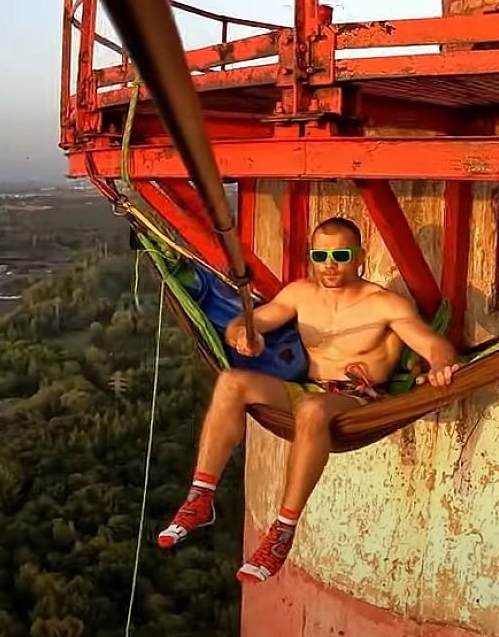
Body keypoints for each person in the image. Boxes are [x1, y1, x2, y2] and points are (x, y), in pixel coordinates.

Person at [156, 216, 459, 583]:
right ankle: (200, 497)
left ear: (360, 257)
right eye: (320, 255)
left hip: (356, 398)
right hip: (307, 387)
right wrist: (243, 337)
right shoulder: (300, 294)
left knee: (312, 409)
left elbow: (433, 344)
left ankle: (282, 531)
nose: (329, 264)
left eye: (341, 255)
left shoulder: (384, 304)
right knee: (232, 382)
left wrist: (440, 365)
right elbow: (245, 323)